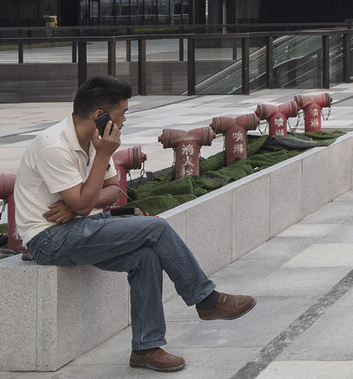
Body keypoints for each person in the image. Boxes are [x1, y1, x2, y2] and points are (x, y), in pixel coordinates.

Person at [17, 76, 257, 372]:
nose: (124, 121)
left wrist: (79, 202)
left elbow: (113, 191)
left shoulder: (94, 141)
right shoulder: (53, 145)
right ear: (99, 116)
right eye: (122, 115)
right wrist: (91, 180)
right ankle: (206, 300)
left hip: (80, 228)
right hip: (49, 239)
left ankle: (146, 348)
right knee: (155, 228)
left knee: (145, 257)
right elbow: (85, 202)